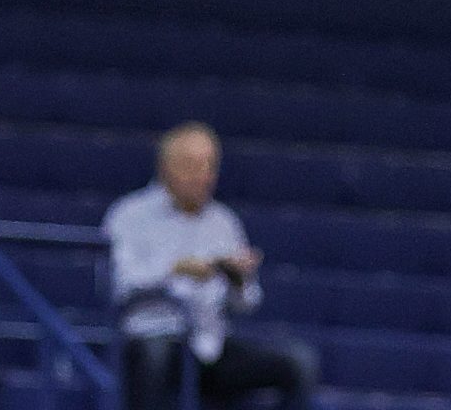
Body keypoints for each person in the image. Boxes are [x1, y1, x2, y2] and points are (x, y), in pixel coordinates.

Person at [102, 123, 318, 410]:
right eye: (191, 165)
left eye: (210, 165)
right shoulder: (128, 215)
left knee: (299, 363)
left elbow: (248, 303)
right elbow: (118, 285)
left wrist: (237, 279)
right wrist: (175, 270)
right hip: (152, 338)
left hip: (209, 345)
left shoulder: (224, 222)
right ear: (165, 167)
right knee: (153, 354)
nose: (203, 176)